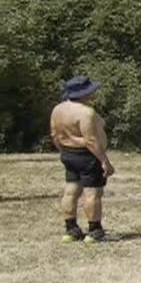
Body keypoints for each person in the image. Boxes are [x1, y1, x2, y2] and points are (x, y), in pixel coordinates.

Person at [51, 76, 114, 243]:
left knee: (71, 191)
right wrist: (104, 160)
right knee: (93, 193)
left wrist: (64, 151)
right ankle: (94, 230)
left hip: (68, 153)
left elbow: (55, 135)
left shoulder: (57, 110)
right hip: (86, 155)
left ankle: (70, 229)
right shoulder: (86, 113)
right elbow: (90, 140)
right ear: (83, 93)